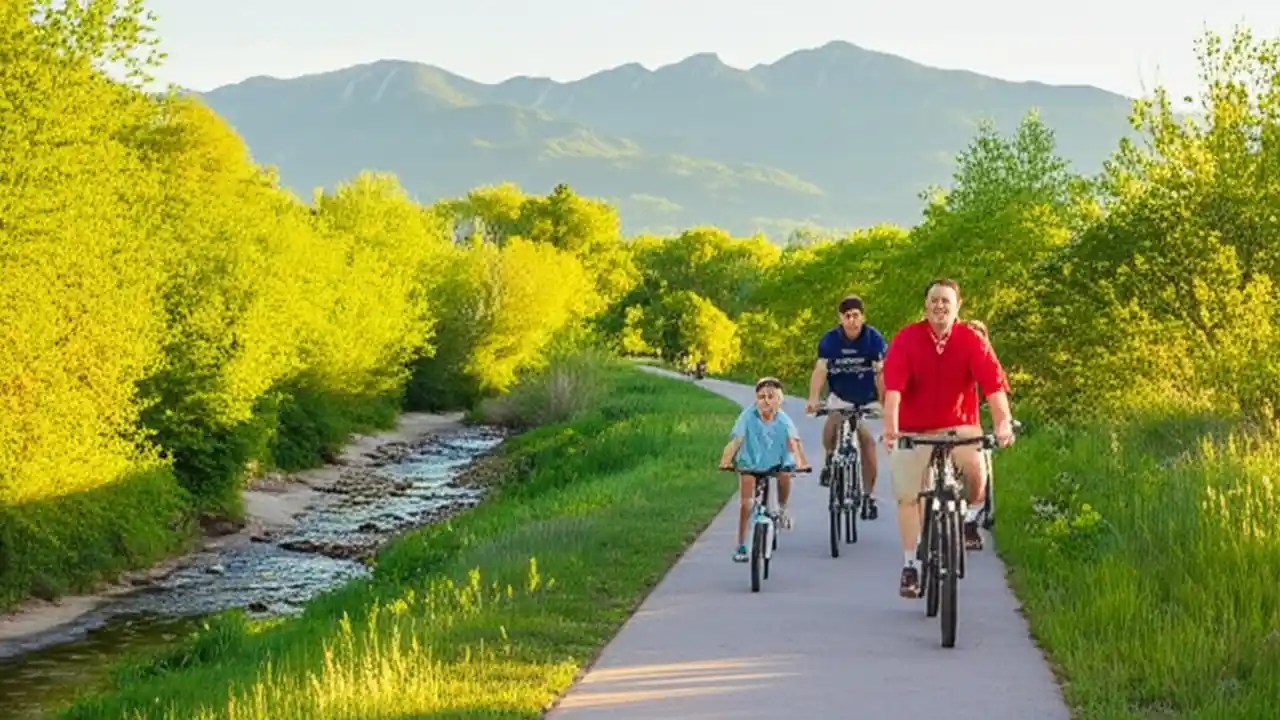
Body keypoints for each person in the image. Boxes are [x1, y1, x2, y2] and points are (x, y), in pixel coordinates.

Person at [881, 279, 1015, 598]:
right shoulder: (906, 339)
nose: (940, 306)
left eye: (946, 301)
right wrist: (891, 430)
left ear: (958, 306)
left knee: (976, 471)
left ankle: (968, 519)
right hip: (914, 429)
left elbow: (994, 388)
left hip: (959, 426)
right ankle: (911, 565)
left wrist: (1003, 424)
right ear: (925, 306)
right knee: (908, 495)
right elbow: (894, 392)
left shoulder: (971, 340)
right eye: (934, 300)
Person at [804, 295, 887, 519]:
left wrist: (885, 403)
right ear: (840, 318)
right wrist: (813, 398)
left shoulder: (873, 339)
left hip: (867, 398)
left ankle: (869, 496)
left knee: (868, 442)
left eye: (856, 315)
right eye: (847, 316)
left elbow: (880, 372)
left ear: (863, 317)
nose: (852, 321)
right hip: (840, 396)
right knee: (834, 419)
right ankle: (830, 457)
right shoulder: (830, 340)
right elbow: (821, 369)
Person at [719, 377, 811, 562]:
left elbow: (794, 441)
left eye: (771, 396)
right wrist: (726, 460)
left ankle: (782, 508)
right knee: (746, 502)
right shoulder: (747, 416)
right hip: (751, 461)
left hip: (776, 461)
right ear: (756, 400)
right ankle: (741, 544)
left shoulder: (783, 419)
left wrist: (802, 462)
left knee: (785, 476)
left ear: (779, 400)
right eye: (761, 397)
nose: (766, 401)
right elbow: (736, 439)